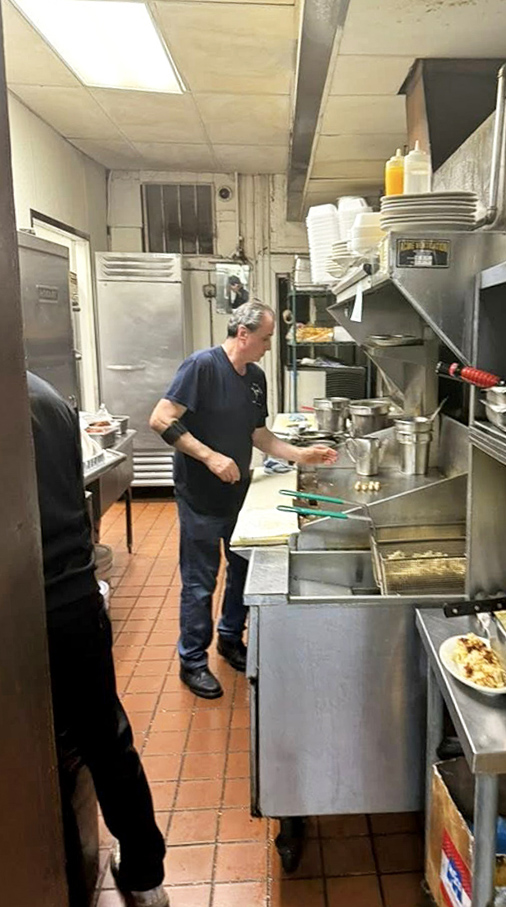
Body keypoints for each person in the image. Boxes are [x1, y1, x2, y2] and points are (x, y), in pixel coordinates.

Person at [27, 371, 168, 907]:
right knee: (106, 740)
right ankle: (145, 875)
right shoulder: (45, 396)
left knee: (36, 753)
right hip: (76, 600)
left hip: (25, 608)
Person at [149, 301, 337, 699]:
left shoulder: (256, 377)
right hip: (199, 495)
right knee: (200, 583)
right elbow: (161, 418)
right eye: (267, 338)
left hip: (239, 492)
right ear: (244, 334)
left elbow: (258, 435)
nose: (270, 345)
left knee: (241, 571)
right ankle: (192, 661)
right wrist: (210, 456)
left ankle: (230, 639)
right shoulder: (201, 366)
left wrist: (302, 455)